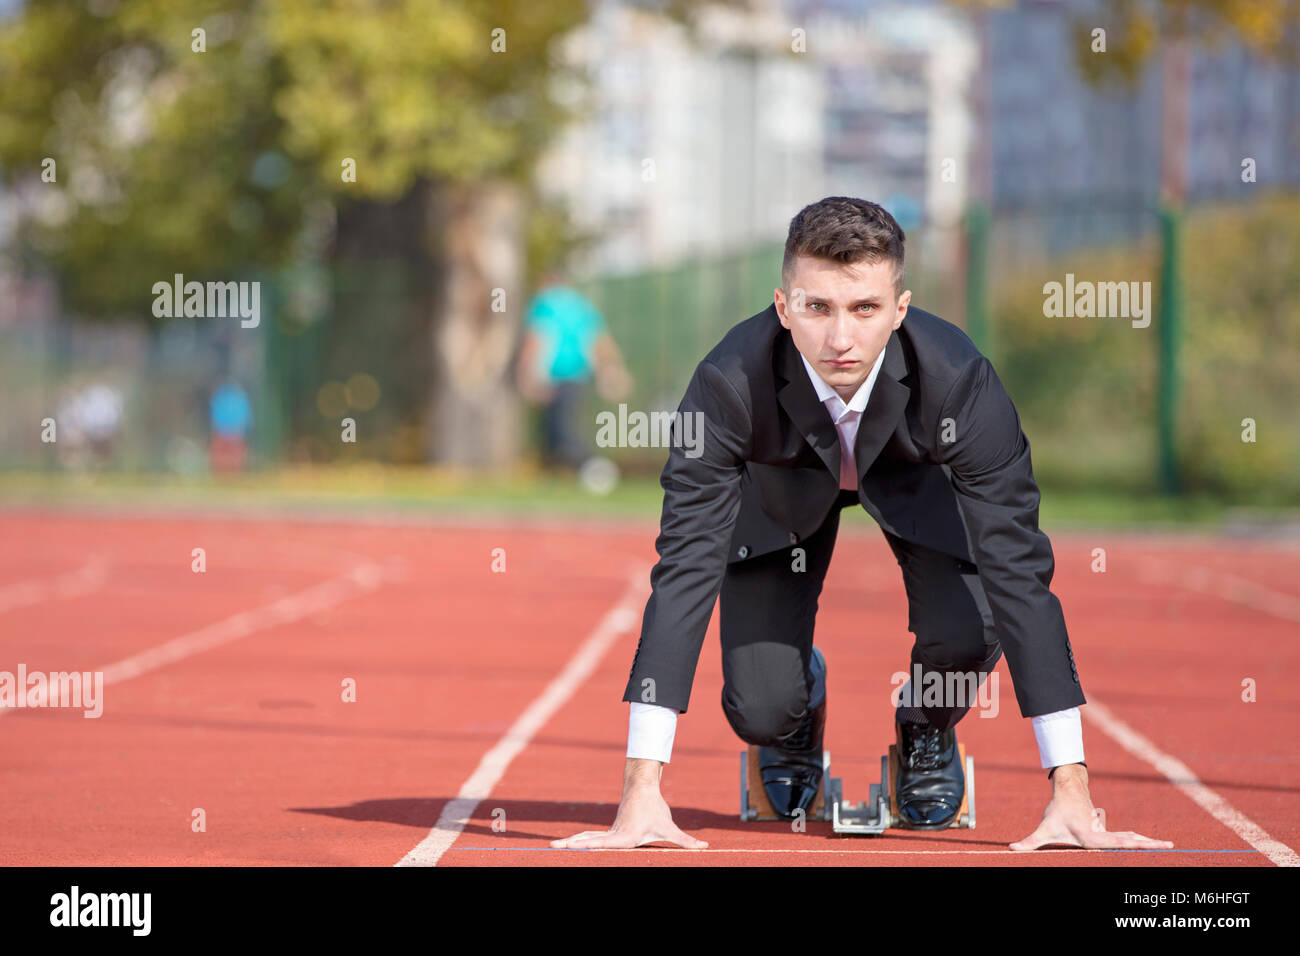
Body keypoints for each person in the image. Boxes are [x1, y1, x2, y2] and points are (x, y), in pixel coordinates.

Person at [552, 197, 1173, 852]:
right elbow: (684, 567)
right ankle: (798, 710)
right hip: (780, 495)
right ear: (783, 306)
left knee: (971, 627)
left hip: (918, 482)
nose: (840, 338)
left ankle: (925, 723)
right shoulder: (727, 385)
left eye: (864, 309)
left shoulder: (960, 384)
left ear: (900, 310)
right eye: (817, 307)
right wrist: (641, 789)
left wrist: (1071, 786)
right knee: (762, 704)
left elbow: (1020, 569)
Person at [516, 269, 632, 472]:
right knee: (561, 428)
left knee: (561, 432)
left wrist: (526, 375)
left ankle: (592, 468)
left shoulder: (544, 304)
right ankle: (568, 469)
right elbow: (599, 340)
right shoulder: (581, 306)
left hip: (553, 377)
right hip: (578, 376)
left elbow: (536, 339)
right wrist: (613, 369)